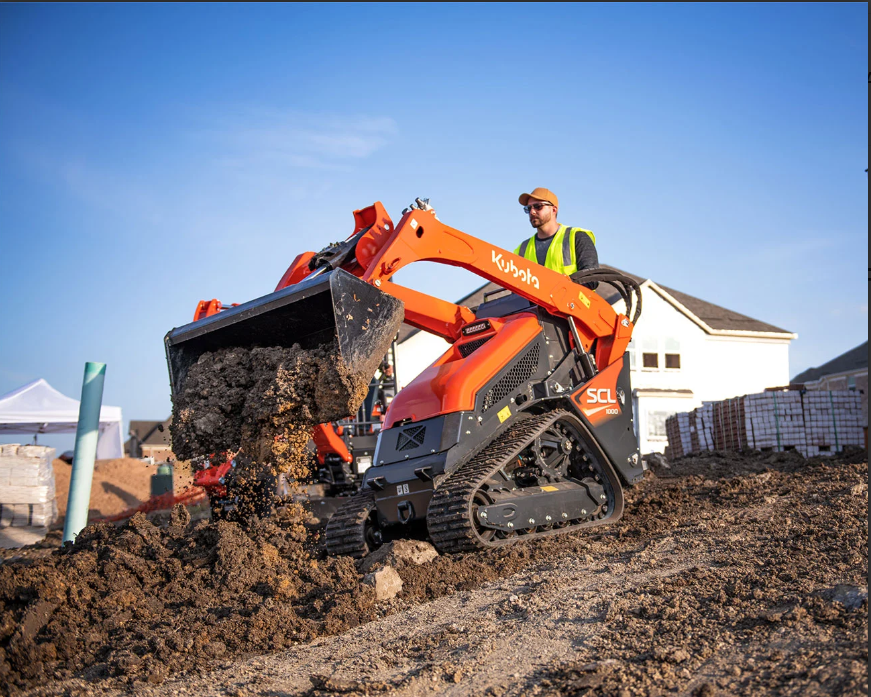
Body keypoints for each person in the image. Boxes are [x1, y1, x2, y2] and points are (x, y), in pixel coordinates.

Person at [515, 187, 598, 289]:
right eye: (528, 208)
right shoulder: (522, 250)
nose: (532, 212)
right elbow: (516, 289)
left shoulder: (577, 237)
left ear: (554, 209)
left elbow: (591, 280)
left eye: (538, 206)